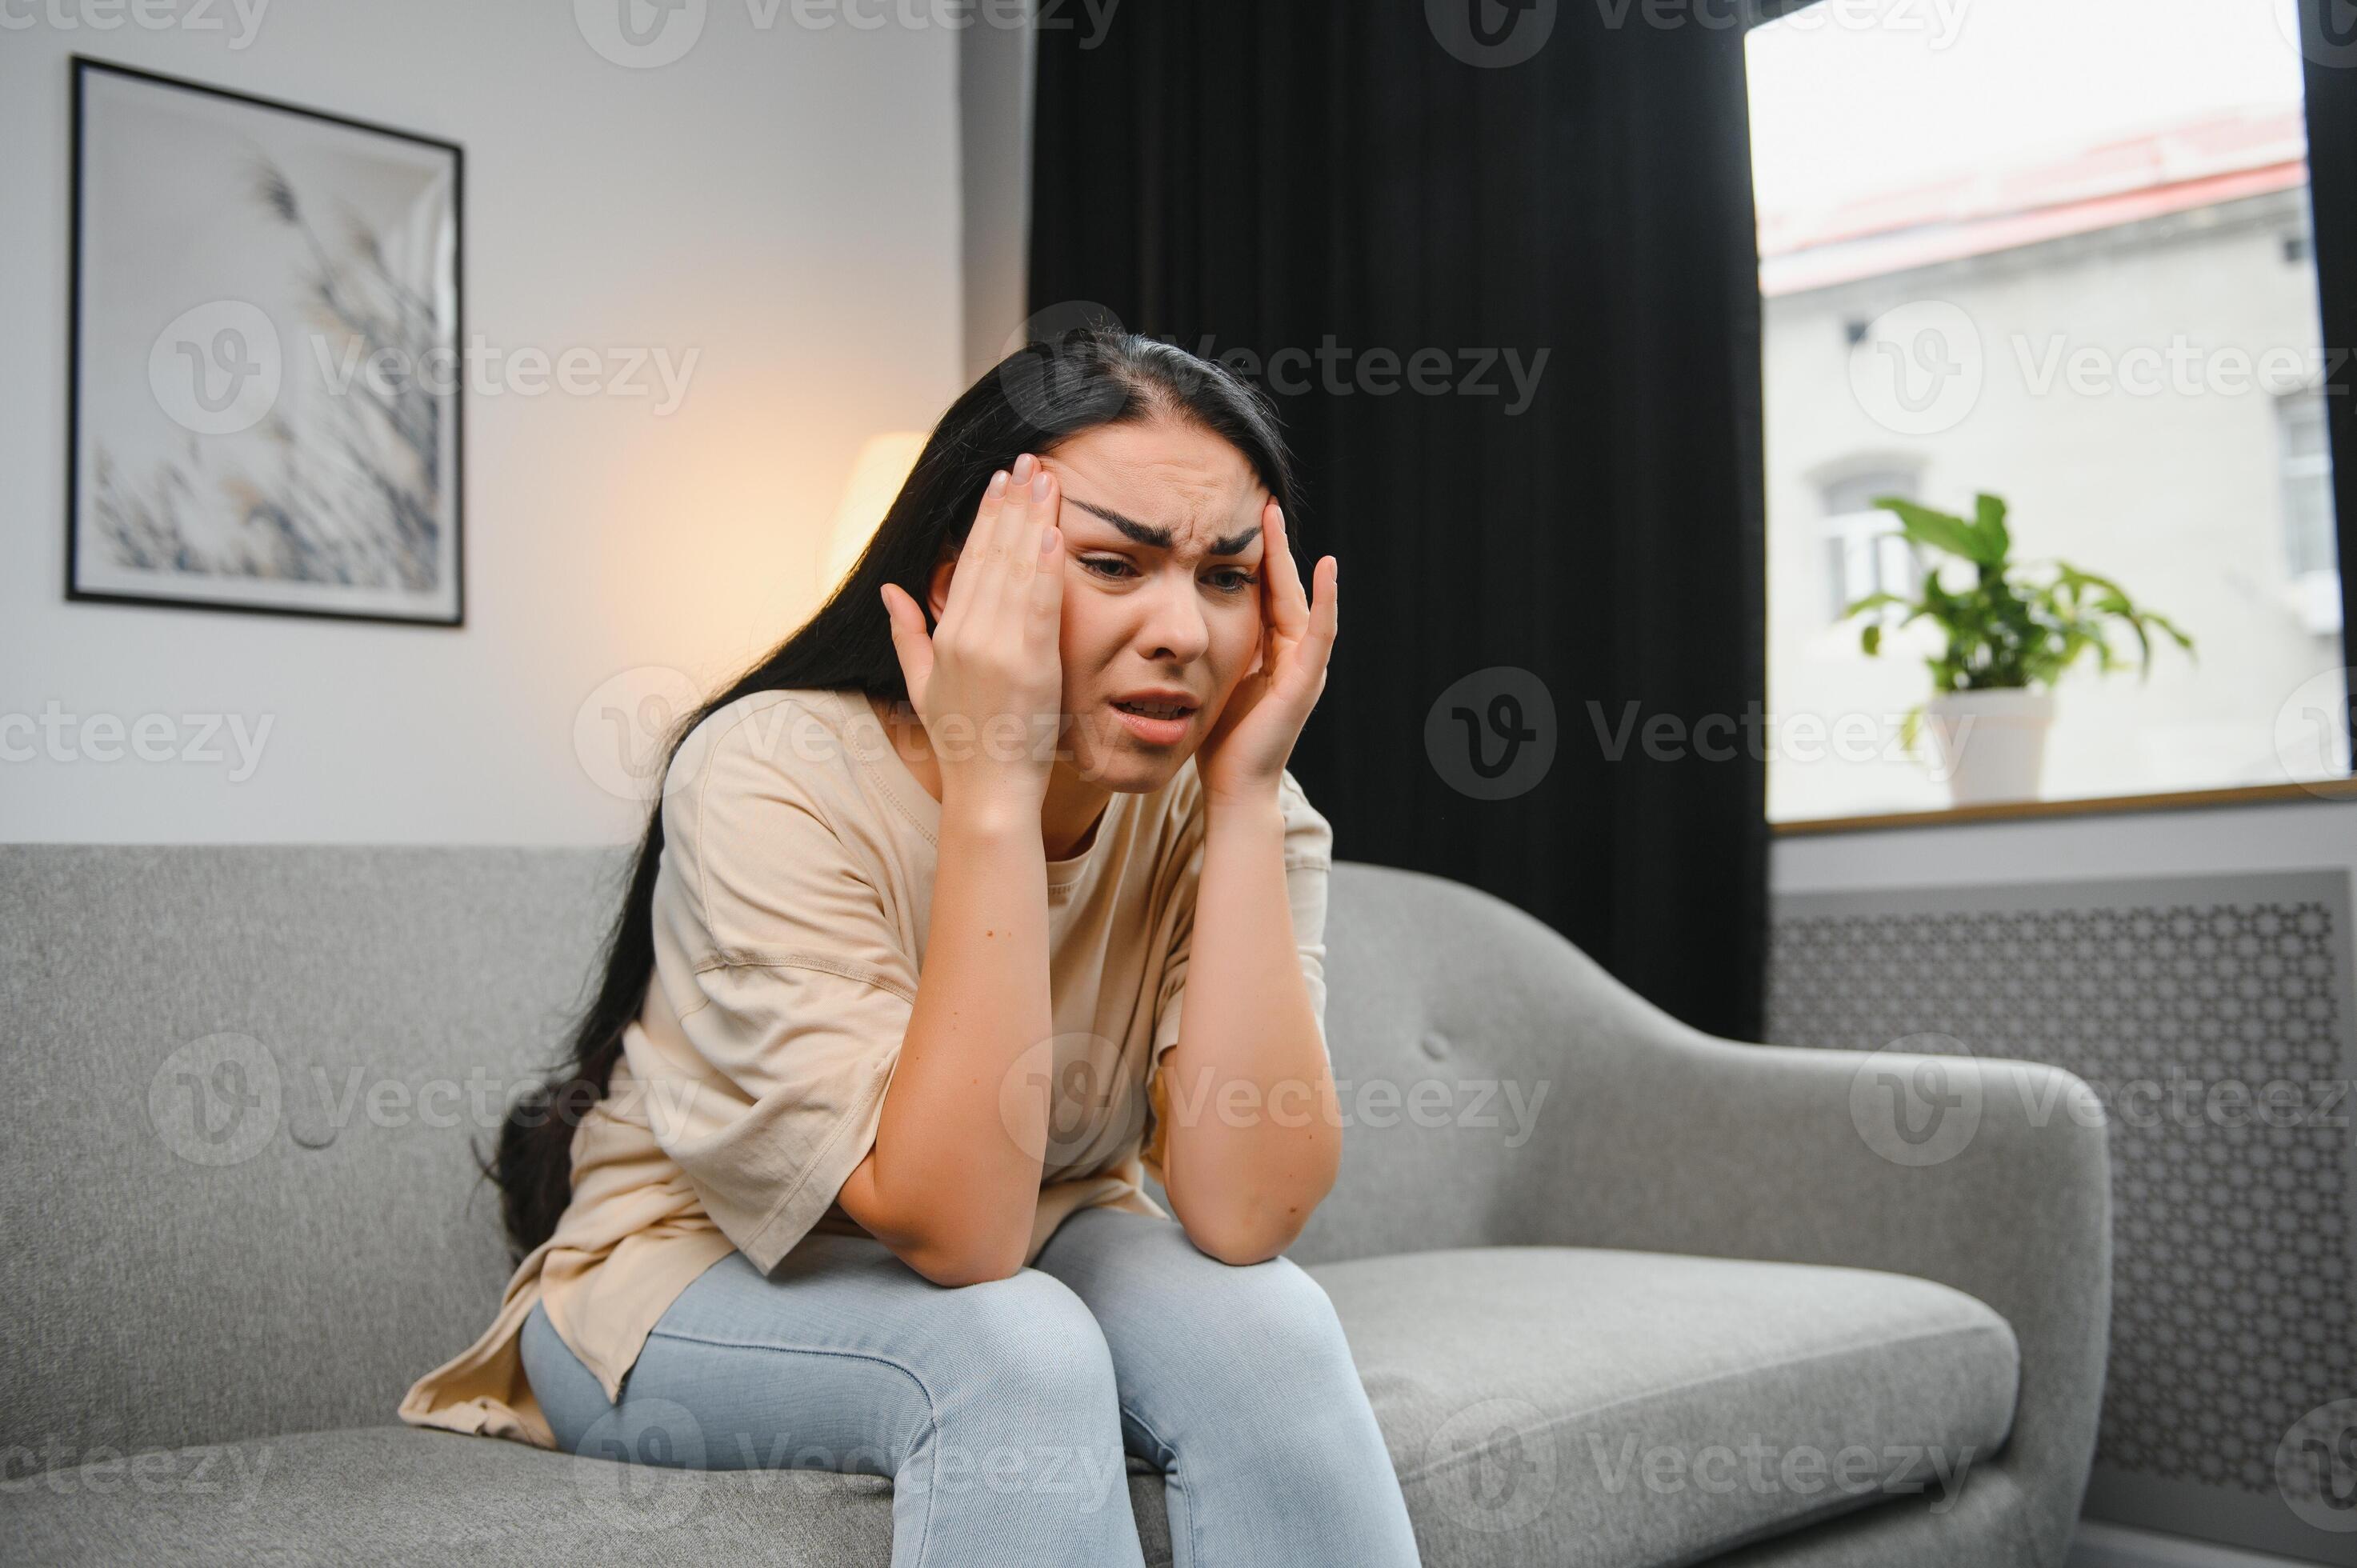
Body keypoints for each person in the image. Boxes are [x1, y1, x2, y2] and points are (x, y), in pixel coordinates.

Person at [398, 327, 1424, 1566]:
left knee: (1272, 1327)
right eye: (1113, 564)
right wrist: (991, 784)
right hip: (677, 1282)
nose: (1184, 633)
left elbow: (1248, 1209)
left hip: (1035, 1225)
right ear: (957, 580)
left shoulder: (1234, 802)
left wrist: (1251, 797)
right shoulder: (769, 769)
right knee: (1014, 1350)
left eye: (1222, 578)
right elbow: (963, 1236)